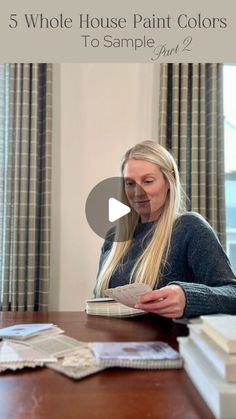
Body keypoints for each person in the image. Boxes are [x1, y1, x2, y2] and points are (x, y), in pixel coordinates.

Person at [94, 140, 236, 319]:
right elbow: (97, 302)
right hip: (110, 343)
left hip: (168, 343)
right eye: (130, 183)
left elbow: (232, 293)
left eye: (148, 181)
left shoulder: (190, 228)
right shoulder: (113, 237)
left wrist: (187, 296)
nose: (138, 193)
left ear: (170, 180)